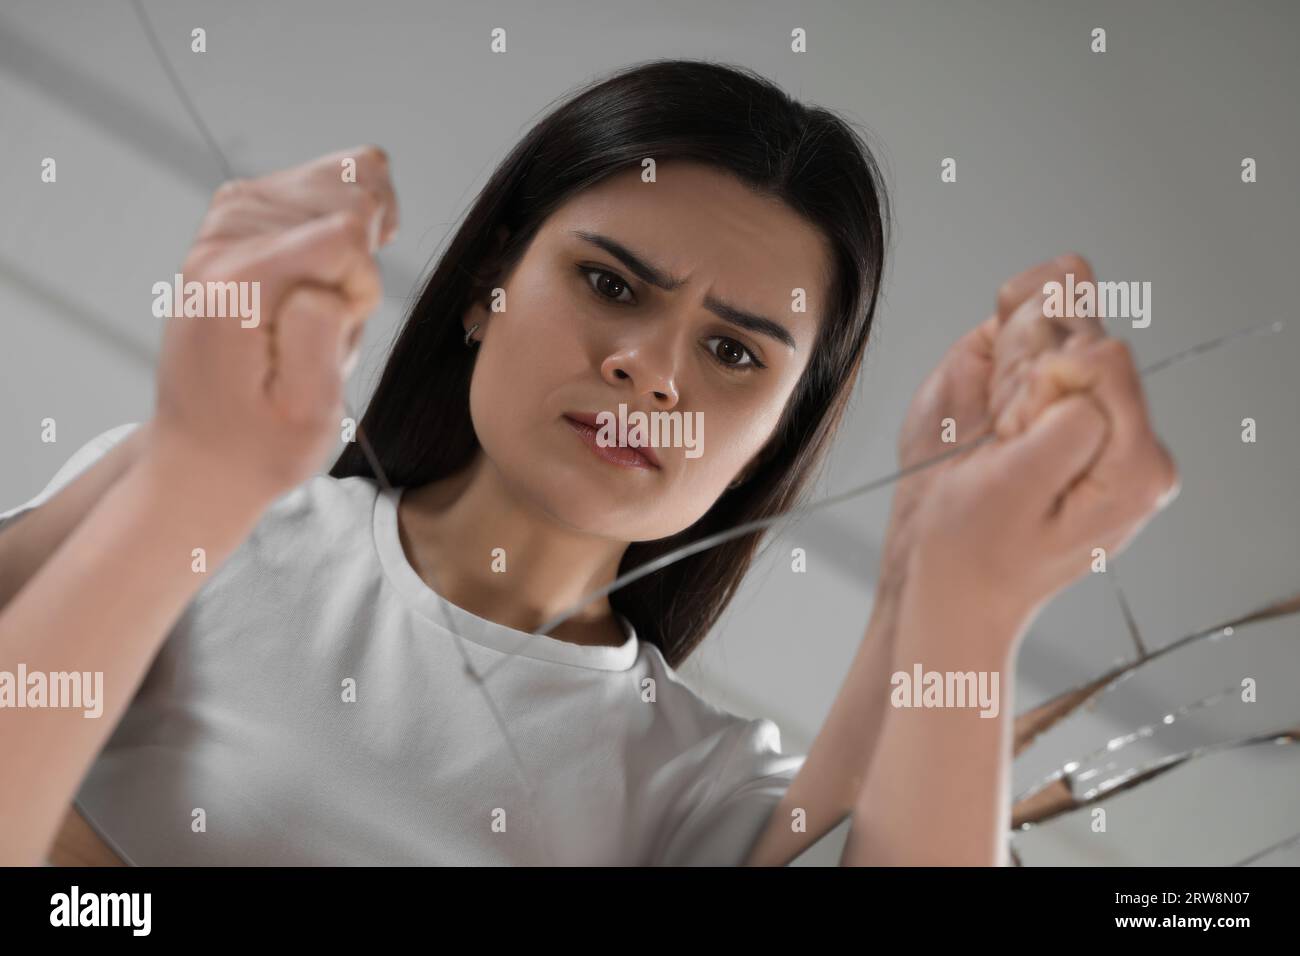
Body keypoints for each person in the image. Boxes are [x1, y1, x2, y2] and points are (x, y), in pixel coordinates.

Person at [0, 59, 1177, 866]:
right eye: (611, 285)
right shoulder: (201, 509)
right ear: (485, 285)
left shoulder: (695, 789)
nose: (653, 374)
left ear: (777, 432)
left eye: (730, 351)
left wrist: (952, 582)